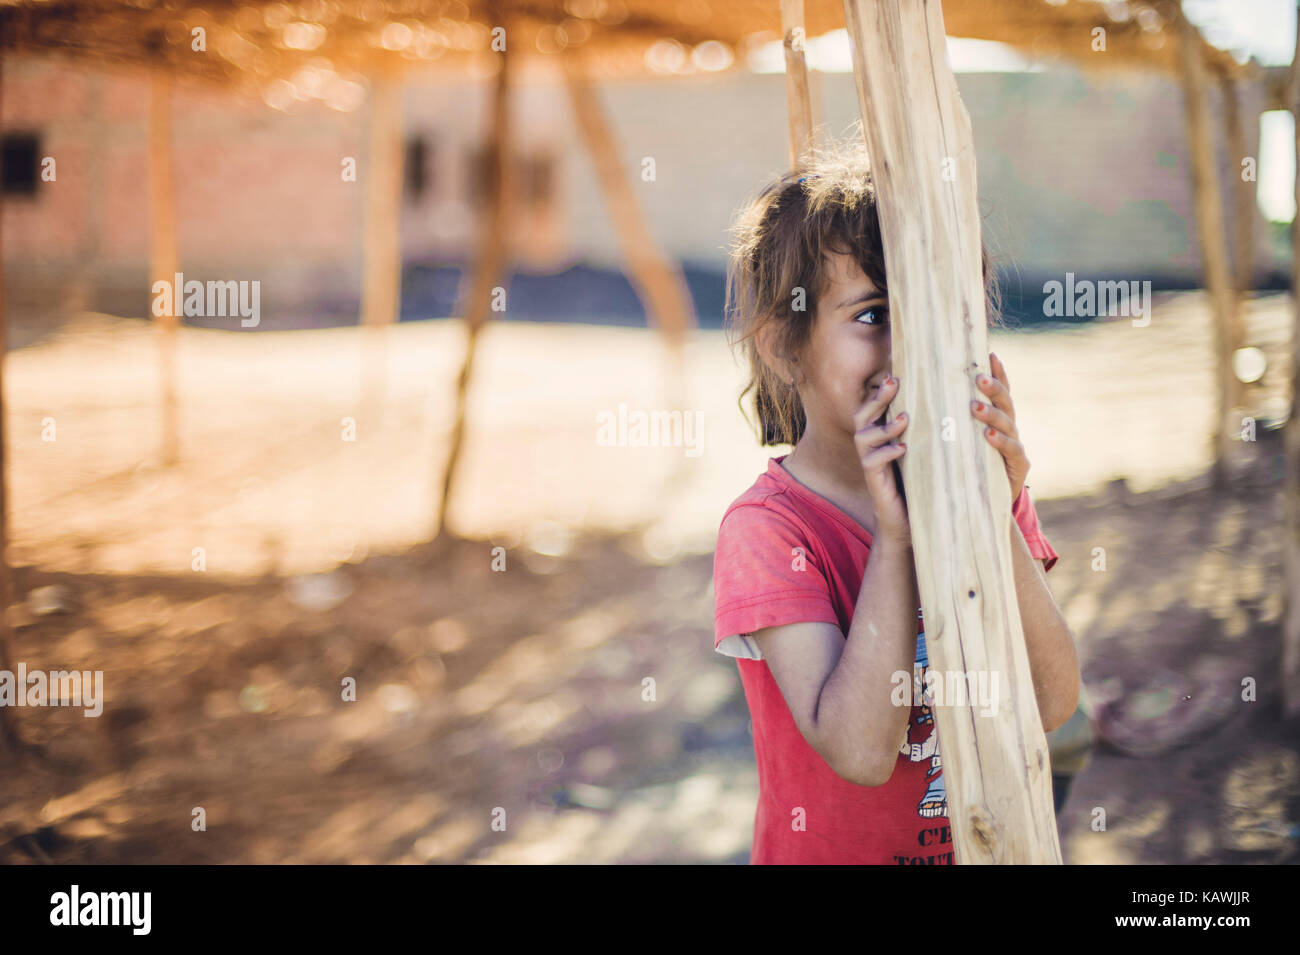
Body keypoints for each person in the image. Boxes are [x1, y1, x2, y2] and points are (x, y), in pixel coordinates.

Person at [713, 137, 1081, 864]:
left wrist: (993, 513)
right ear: (783, 348)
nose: (913, 349)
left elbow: (1048, 704)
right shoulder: (767, 530)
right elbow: (860, 751)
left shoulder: (984, 492)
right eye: (876, 315)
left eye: (939, 311)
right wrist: (897, 539)